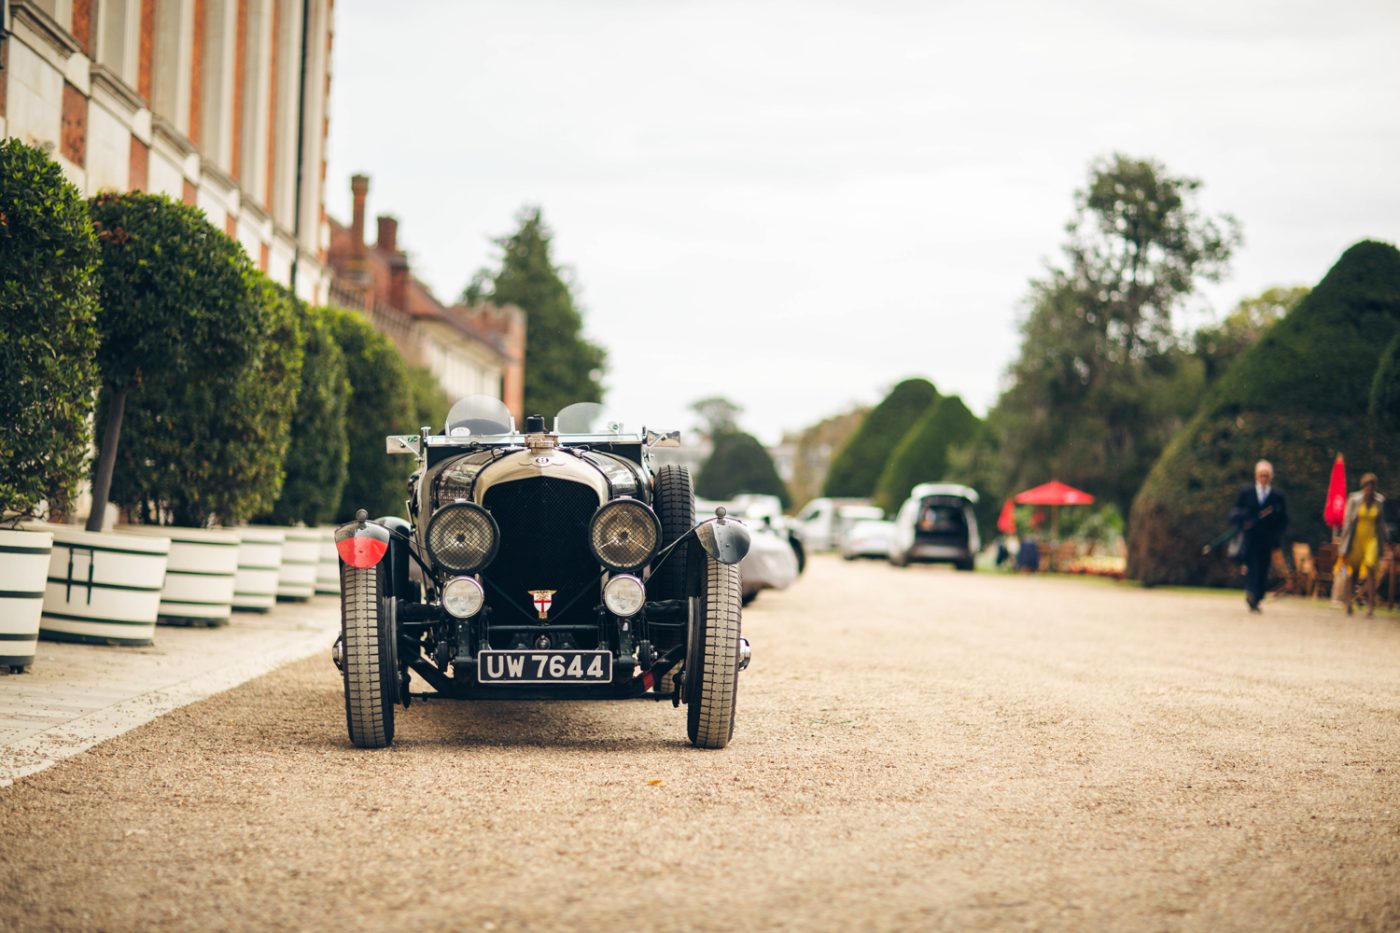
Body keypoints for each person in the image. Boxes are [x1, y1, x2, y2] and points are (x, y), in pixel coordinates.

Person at [1228, 460, 1288, 613]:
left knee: (1263, 568)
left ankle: (1258, 596)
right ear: (1256, 476)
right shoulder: (1246, 493)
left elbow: (1283, 519)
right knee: (1252, 566)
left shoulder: (1277, 496)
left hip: (1267, 539)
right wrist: (1245, 519)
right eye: (1261, 475)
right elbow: (1234, 513)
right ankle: (1252, 593)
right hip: (1250, 538)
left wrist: (1276, 534)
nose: (1264, 478)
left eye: (1266, 475)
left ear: (1271, 477)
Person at [1339, 473, 1390, 618]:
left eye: (1372, 486)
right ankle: (1349, 602)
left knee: (1370, 569)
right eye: (1367, 486)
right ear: (1363, 487)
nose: (1370, 489)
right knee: (1353, 573)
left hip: (1372, 538)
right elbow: (1348, 523)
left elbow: (1381, 524)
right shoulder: (1354, 499)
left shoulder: (1379, 501)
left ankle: (1371, 607)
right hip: (1356, 538)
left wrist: (1386, 541)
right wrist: (1343, 545)